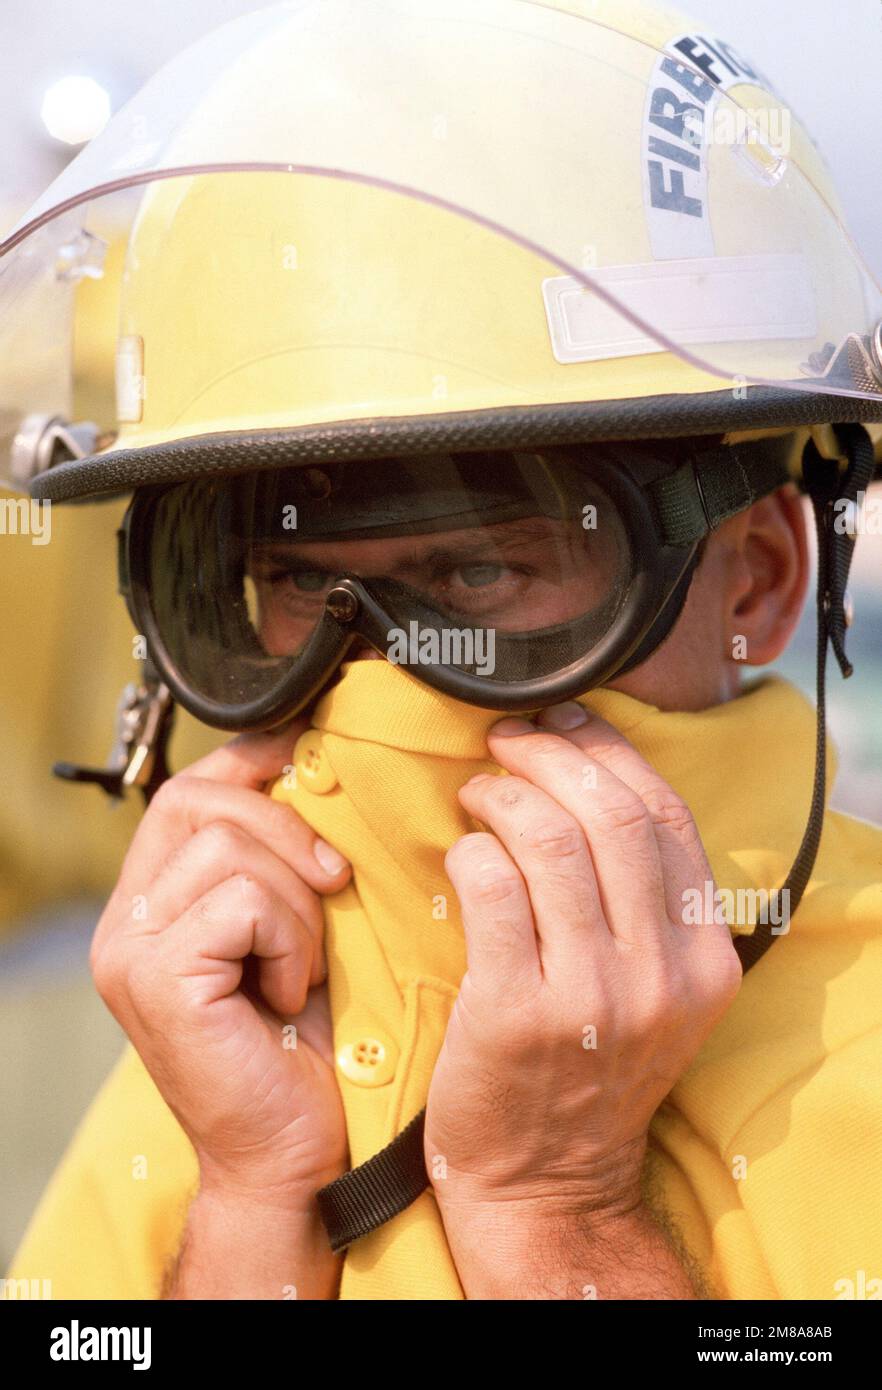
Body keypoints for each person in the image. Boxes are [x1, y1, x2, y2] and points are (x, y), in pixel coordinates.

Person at [4, 0, 882, 1300]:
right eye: (297, 579)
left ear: (752, 577)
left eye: (478, 569)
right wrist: (251, 1200)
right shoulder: (220, 1036)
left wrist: (554, 1206)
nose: (373, 693)